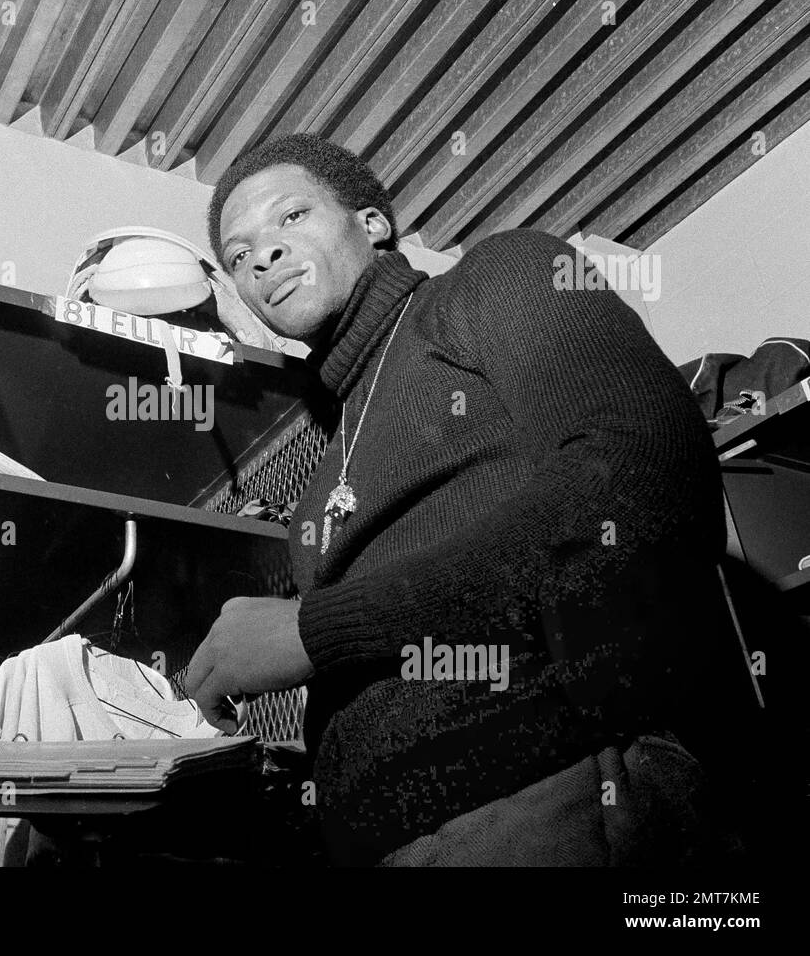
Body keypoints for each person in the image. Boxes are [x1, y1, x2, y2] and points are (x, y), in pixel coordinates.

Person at [184, 133, 748, 866]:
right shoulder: (323, 480)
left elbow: (639, 484)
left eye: (290, 217)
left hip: (547, 799)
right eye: (238, 254)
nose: (261, 256)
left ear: (372, 222)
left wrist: (313, 632)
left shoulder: (497, 277)